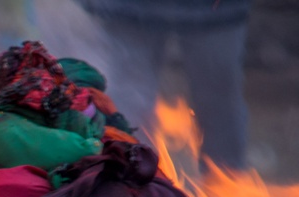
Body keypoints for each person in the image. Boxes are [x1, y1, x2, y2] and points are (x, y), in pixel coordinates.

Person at [76, 0, 252, 168]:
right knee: (131, 98)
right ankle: (131, 179)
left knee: (218, 97)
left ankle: (226, 183)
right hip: (130, 9)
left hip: (217, 11)